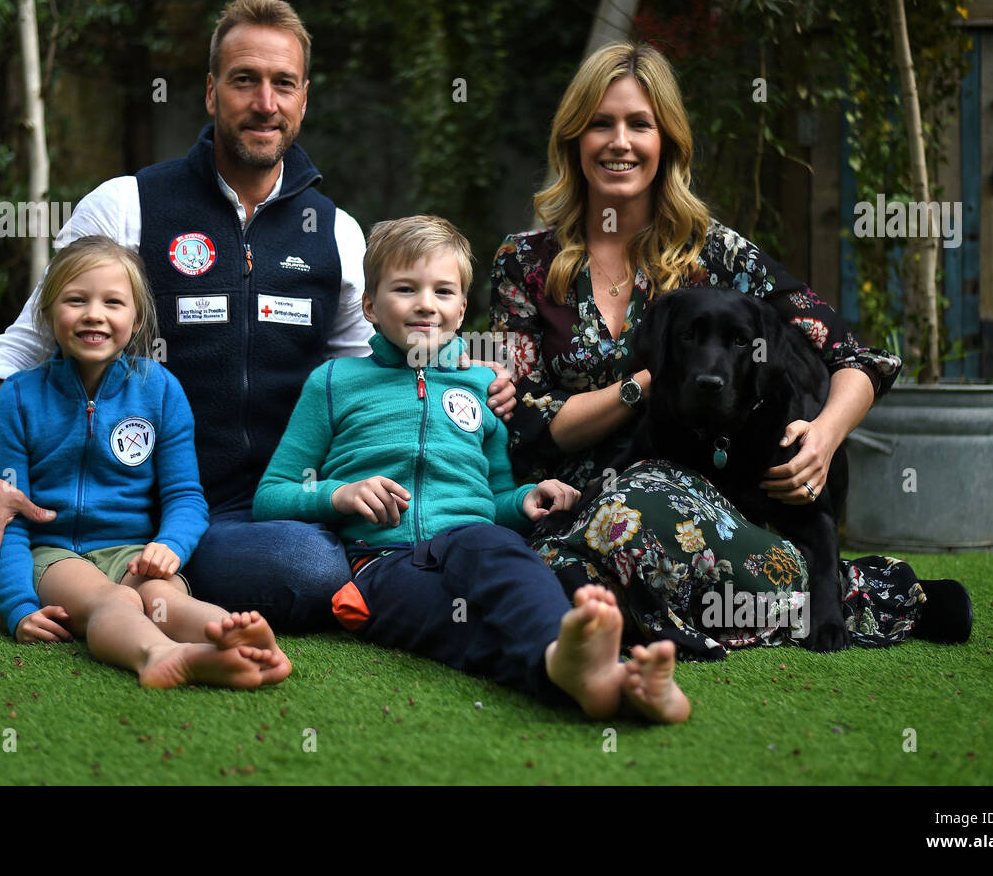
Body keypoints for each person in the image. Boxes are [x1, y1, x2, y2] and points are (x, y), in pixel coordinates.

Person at [0, 0, 516, 632]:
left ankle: (161, 589)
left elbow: (375, 363)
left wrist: (464, 370)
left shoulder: (336, 233)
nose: (265, 103)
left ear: (305, 97)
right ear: (209, 91)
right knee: (312, 570)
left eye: (283, 84)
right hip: (153, 509)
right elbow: (18, 349)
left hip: (277, 507)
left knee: (314, 562)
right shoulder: (127, 205)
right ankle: (130, 576)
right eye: (244, 80)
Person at [491, 41, 971, 658]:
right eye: (600, 124)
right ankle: (863, 592)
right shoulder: (525, 262)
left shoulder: (714, 253)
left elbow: (857, 357)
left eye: (640, 124)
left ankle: (682, 609)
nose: (620, 142)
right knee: (553, 581)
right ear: (572, 139)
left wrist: (821, 439)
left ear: (667, 142)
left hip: (687, 495)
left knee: (640, 516)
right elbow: (525, 422)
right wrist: (646, 381)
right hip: (565, 503)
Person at [253, 215, 690, 722]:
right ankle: (601, 676)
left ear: (462, 309)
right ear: (370, 305)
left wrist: (523, 502)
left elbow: (495, 496)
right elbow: (272, 494)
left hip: (471, 541)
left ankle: (596, 671)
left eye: (443, 291)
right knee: (462, 624)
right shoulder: (332, 382)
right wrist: (338, 495)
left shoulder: (483, 388)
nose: (425, 304)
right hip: (379, 565)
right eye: (404, 288)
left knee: (498, 552)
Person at [0, 235, 290, 688]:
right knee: (116, 602)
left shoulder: (159, 389)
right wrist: (17, 607)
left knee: (164, 598)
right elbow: (10, 516)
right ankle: (158, 655)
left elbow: (185, 496)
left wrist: (170, 545)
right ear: (47, 312)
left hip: (134, 551)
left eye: (113, 302)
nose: (94, 314)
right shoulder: (17, 399)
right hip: (56, 556)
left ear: (136, 316)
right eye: (76, 300)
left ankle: (236, 642)